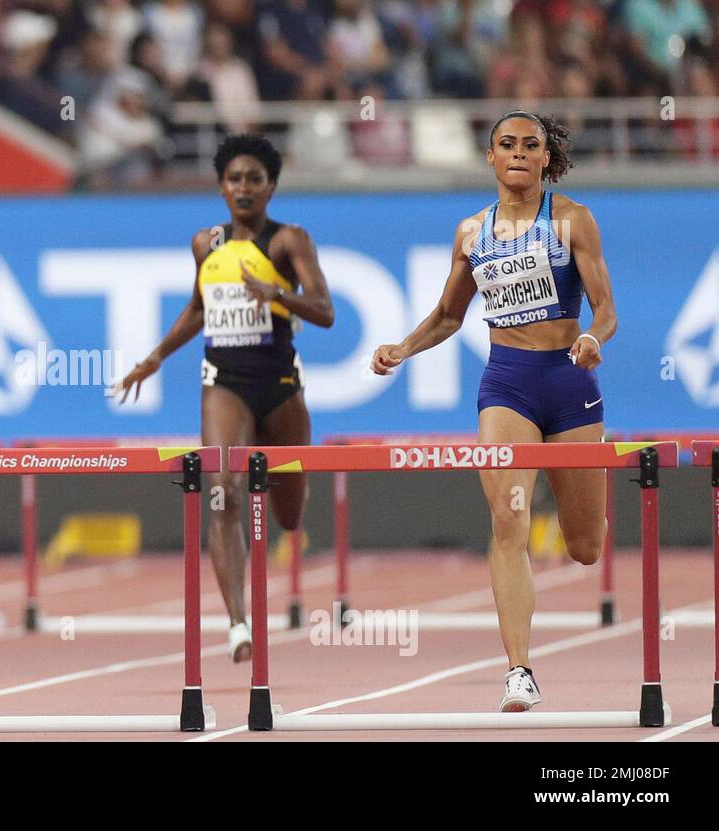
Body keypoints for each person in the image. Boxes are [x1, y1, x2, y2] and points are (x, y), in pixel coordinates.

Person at [371, 111, 617, 712]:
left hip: (569, 383)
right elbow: (450, 316)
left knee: (585, 546)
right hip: (507, 387)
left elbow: (607, 308)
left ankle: (581, 527)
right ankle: (519, 670)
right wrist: (402, 347)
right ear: (489, 156)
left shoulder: (571, 221)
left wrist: (592, 339)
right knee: (509, 523)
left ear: (543, 158)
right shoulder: (470, 233)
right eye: (506, 144)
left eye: (530, 146)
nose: (518, 154)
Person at [114, 133, 334, 662]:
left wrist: (276, 294)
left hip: (280, 387)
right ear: (220, 187)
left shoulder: (289, 241)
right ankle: (238, 623)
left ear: (271, 186)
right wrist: (156, 356)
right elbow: (197, 308)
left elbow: (324, 310)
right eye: (234, 179)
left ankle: (274, 536)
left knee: (288, 515)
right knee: (224, 491)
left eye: (254, 179)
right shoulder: (204, 244)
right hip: (225, 383)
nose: (243, 188)